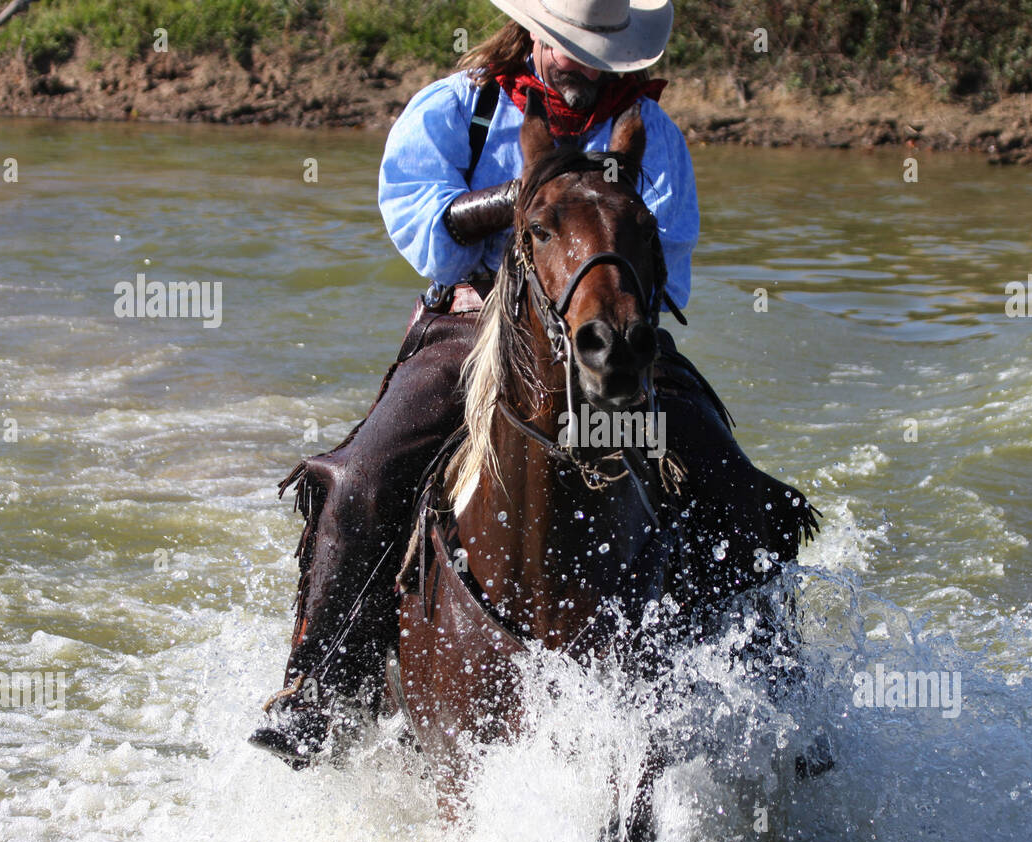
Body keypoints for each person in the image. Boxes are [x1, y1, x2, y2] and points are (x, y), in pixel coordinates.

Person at [249, 0, 801, 769]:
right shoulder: (460, 108)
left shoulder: (649, 130)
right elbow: (419, 221)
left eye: (603, 58)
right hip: (470, 326)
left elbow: (667, 254)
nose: (586, 72)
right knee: (363, 475)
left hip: (608, 333)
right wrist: (532, 199)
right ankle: (318, 687)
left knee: (734, 482)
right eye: (573, 50)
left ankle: (770, 692)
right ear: (536, 34)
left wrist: (597, 247)